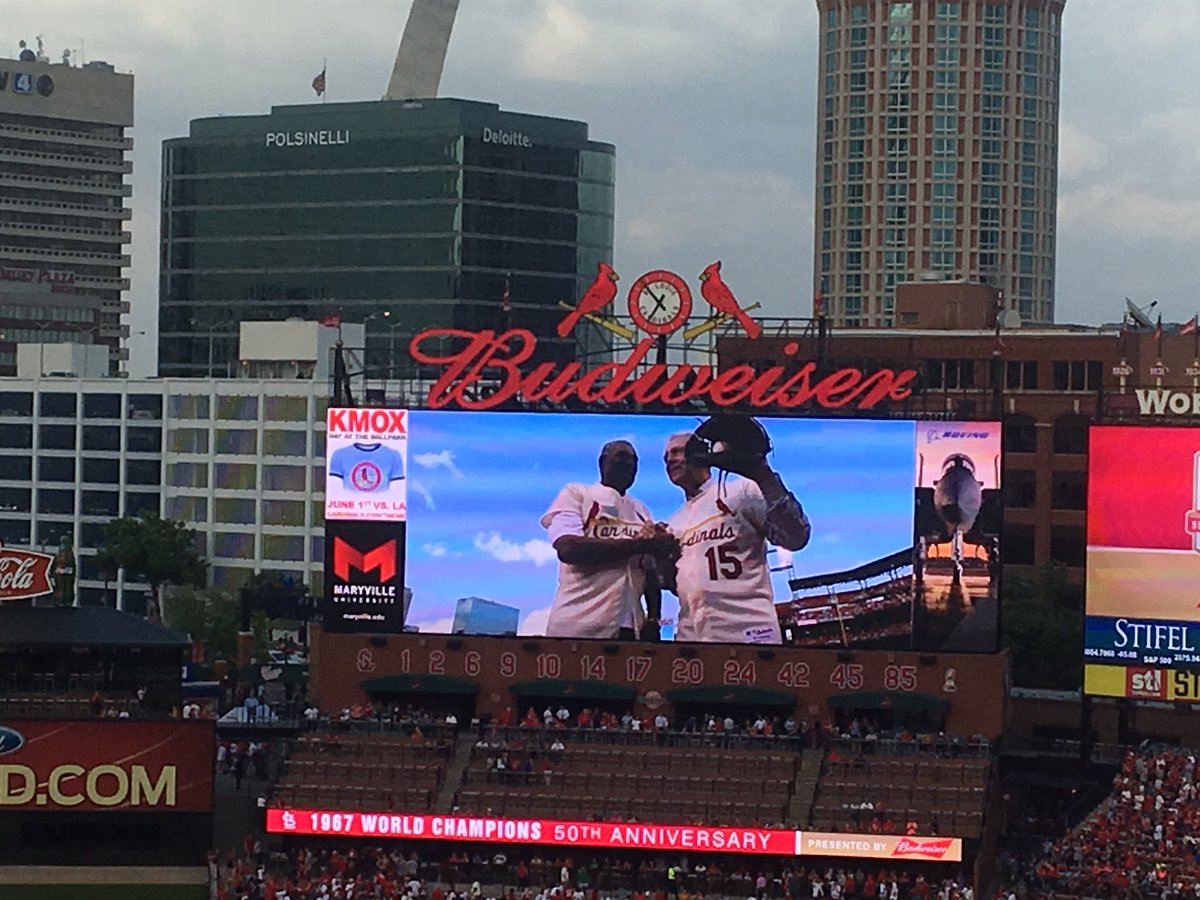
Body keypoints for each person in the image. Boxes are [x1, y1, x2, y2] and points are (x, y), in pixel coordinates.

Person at [661, 423, 811, 644]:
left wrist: (764, 476)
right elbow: (683, 587)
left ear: (699, 452)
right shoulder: (674, 522)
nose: (669, 460)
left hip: (750, 633)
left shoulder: (742, 491)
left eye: (676, 452)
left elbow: (796, 536)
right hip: (693, 638)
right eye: (666, 457)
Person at [541, 440, 678, 639]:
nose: (629, 465)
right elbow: (568, 548)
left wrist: (653, 618)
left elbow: (648, 571)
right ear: (602, 462)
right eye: (621, 457)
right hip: (578, 624)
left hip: (631, 627)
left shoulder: (641, 511)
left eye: (634, 461)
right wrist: (641, 544)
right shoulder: (577, 493)